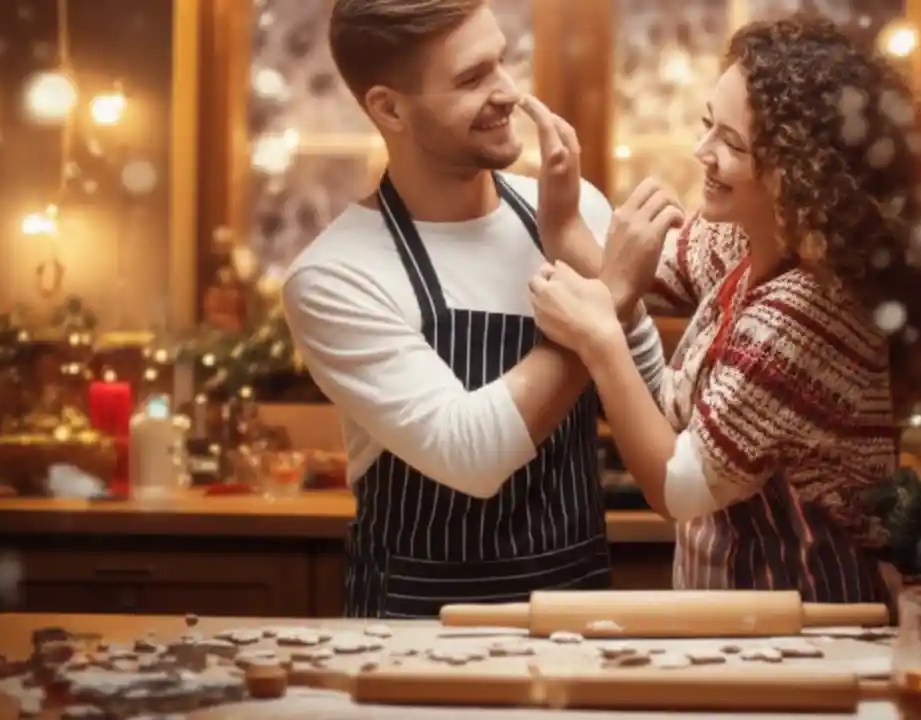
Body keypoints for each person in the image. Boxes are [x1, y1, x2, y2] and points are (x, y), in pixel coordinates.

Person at [528, 15, 921, 602]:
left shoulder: (809, 314)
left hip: (808, 609)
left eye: (733, 144)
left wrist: (601, 342)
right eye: (707, 126)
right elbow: (629, 275)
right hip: (739, 606)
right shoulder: (743, 240)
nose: (702, 152)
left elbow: (677, 488)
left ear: (801, 172)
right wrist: (564, 218)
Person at [282, 0, 666, 618]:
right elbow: (473, 454)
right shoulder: (337, 276)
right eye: (472, 78)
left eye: (501, 62)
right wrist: (609, 297)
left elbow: (658, 404)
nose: (508, 92)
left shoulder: (570, 212)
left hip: (575, 616)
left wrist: (596, 274)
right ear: (389, 108)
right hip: (415, 629)